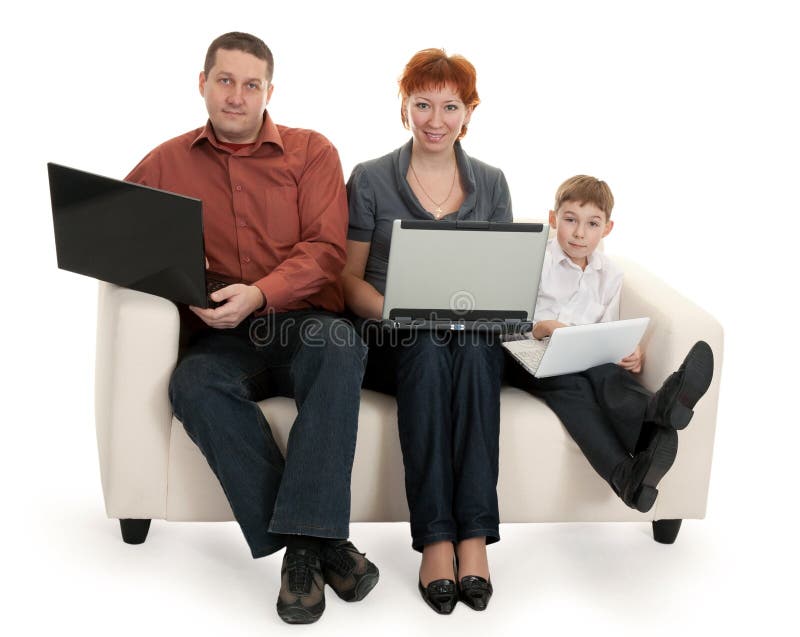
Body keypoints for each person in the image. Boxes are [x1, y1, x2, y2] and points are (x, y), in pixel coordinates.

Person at [126, 32, 378, 625]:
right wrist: (176, 278)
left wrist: (261, 293)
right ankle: (314, 546)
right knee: (192, 385)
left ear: (269, 91)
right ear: (203, 83)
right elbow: (118, 229)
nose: (236, 96)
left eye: (250, 84)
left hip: (304, 325)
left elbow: (325, 251)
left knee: (339, 344)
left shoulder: (312, 151)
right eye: (225, 81)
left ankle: (303, 550)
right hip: (220, 337)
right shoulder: (166, 161)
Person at [343, 49, 511, 614]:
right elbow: (348, 280)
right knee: (426, 343)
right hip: (393, 337)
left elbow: (500, 284)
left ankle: (474, 538)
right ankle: (437, 539)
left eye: (450, 106)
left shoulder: (492, 184)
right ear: (405, 107)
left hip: (468, 337)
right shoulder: (370, 178)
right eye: (422, 104)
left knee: (475, 347)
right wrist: (399, 313)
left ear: (469, 112)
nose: (435, 120)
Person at [506, 175, 714, 511]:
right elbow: (509, 321)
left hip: (583, 357)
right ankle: (643, 433)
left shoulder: (610, 274)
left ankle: (653, 422)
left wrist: (629, 351)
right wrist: (544, 327)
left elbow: (606, 330)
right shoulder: (535, 261)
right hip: (531, 355)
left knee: (607, 373)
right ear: (553, 219)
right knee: (571, 384)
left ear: (607, 228)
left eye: (592, 224)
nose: (579, 233)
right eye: (570, 220)